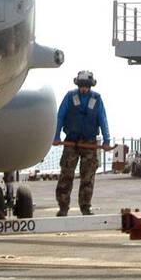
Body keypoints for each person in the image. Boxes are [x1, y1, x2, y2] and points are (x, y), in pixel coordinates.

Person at [53, 70, 113, 217]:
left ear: (90, 86)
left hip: (90, 143)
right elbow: (60, 116)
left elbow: (102, 119)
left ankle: (85, 207)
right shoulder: (69, 97)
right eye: (81, 86)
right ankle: (63, 207)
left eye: (86, 86)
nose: (84, 89)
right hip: (71, 142)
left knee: (88, 177)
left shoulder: (97, 99)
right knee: (66, 175)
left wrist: (106, 140)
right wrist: (55, 136)